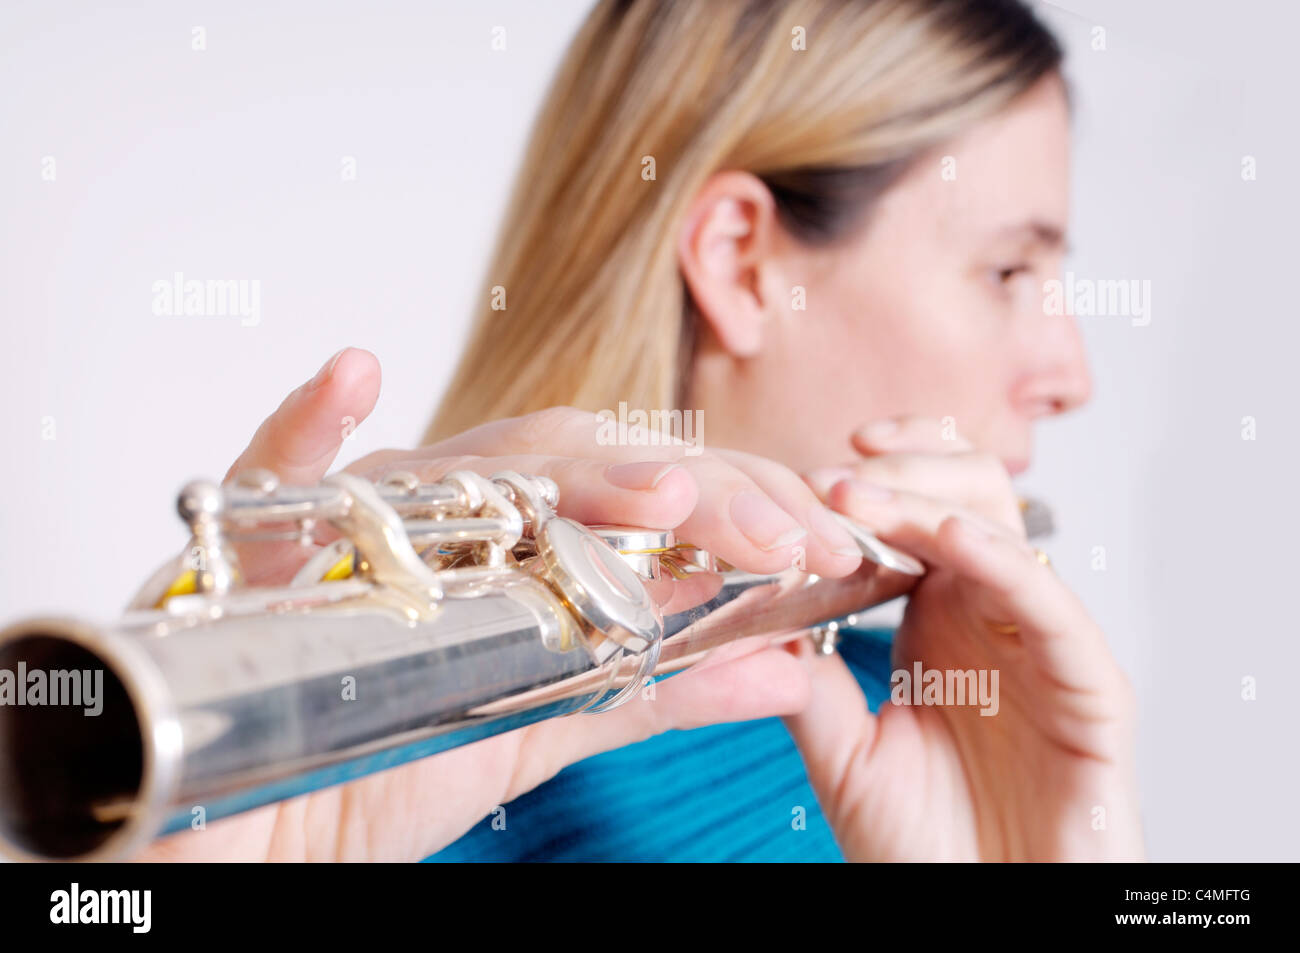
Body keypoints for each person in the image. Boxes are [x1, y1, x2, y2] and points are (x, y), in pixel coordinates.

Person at [141, 0, 1143, 861]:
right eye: (1009, 271)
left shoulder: (942, 730)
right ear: (742, 262)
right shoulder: (343, 748)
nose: (1073, 375)